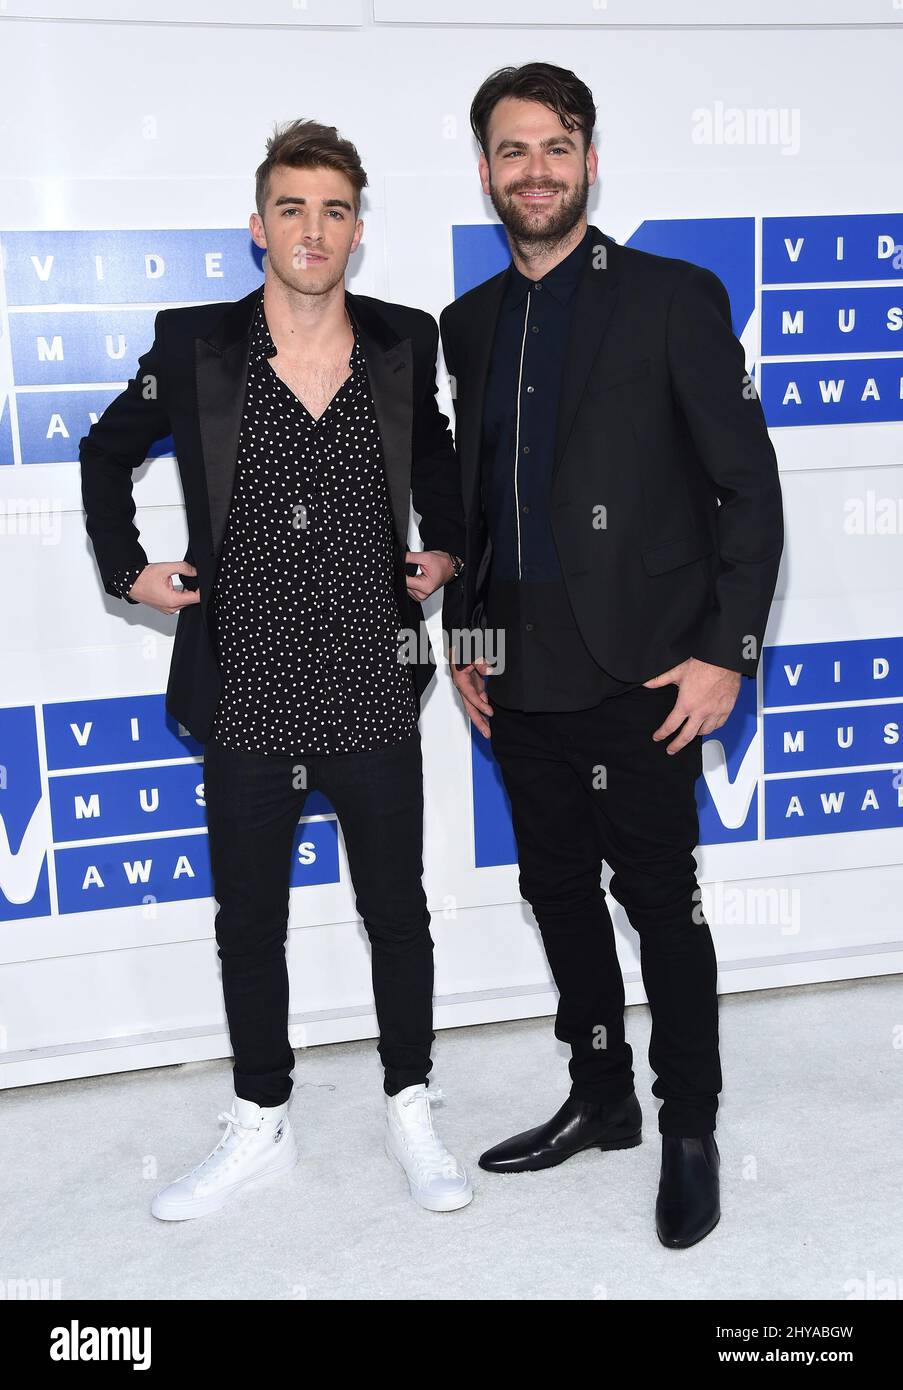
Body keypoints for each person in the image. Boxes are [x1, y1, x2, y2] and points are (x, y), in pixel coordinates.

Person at [80, 119, 470, 1219]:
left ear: (357, 228)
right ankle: (261, 1116)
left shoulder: (404, 341)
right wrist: (128, 569)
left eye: (334, 209)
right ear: (259, 227)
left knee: (398, 912)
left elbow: (441, 471)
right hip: (244, 681)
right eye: (292, 208)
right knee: (248, 919)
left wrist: (443, 552)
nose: (313, 229)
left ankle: (410, 1104)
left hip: (370, 680)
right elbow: (104, 452)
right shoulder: (197, 343)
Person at [440, 63, 784, 1247]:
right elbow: (477, 518)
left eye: (556, 144)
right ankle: (602, 1095)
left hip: (647, 674)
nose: (534, 168)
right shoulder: (469, 323)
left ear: (590, 159)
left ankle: (690, 1122)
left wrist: (724, 653)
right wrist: (471, 645)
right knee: (558, 900)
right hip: (521, 677)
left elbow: (749, 490)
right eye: (511, 149)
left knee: (661, 908)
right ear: (485, 171)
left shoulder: (674, 296)